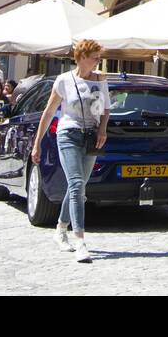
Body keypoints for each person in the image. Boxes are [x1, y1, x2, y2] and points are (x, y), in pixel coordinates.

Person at [32, 38, 109, 263]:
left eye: (99, 58)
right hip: (68, 134)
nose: (98, 62)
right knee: (76, 184)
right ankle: (80, 242)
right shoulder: (64, 80)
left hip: (91, 137)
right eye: (95, 58)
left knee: (79, 187)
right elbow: (48, 112)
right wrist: (37, 143)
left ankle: (60, 229)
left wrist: (103, 130)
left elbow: (106, 109)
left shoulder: (100, 80)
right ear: (82, 57)